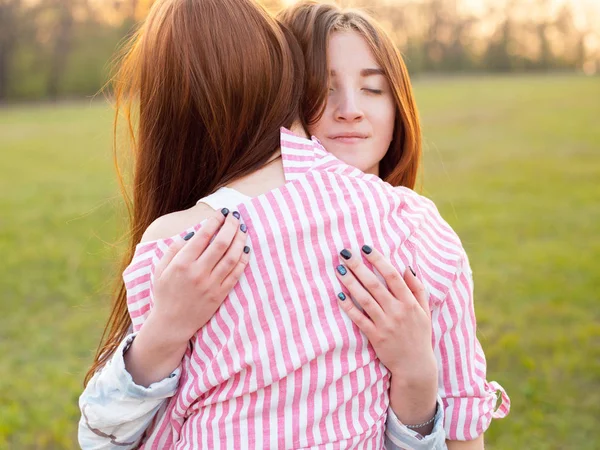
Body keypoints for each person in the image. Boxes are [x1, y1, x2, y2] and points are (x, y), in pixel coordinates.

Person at [79, 0, 508, 448]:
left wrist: (417, 375)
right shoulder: (198, 250)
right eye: (320, 91)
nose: (349, 110)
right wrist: (165, 330)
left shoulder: (423, 235)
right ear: (280, 100)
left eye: (374, 89)